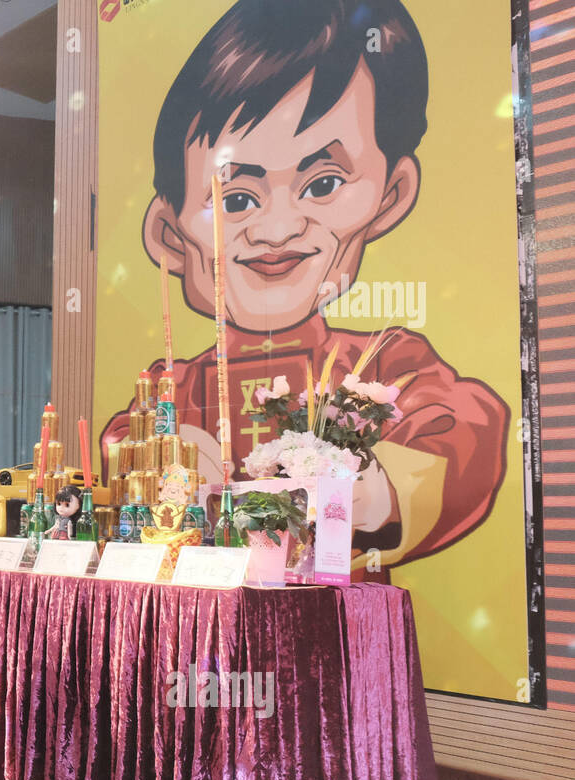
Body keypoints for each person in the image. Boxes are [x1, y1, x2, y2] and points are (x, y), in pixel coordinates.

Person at [98, 0, 509, 578]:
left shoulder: (380, 362)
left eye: (324, 184)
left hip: (331, 621)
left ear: (389, 195)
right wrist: (174, 453)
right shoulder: (175, 387)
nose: (278, 229)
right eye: (238, 200)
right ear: (171, 234)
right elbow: (123, 442)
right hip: (202, 612)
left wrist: (378, 491)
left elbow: (462, 422)